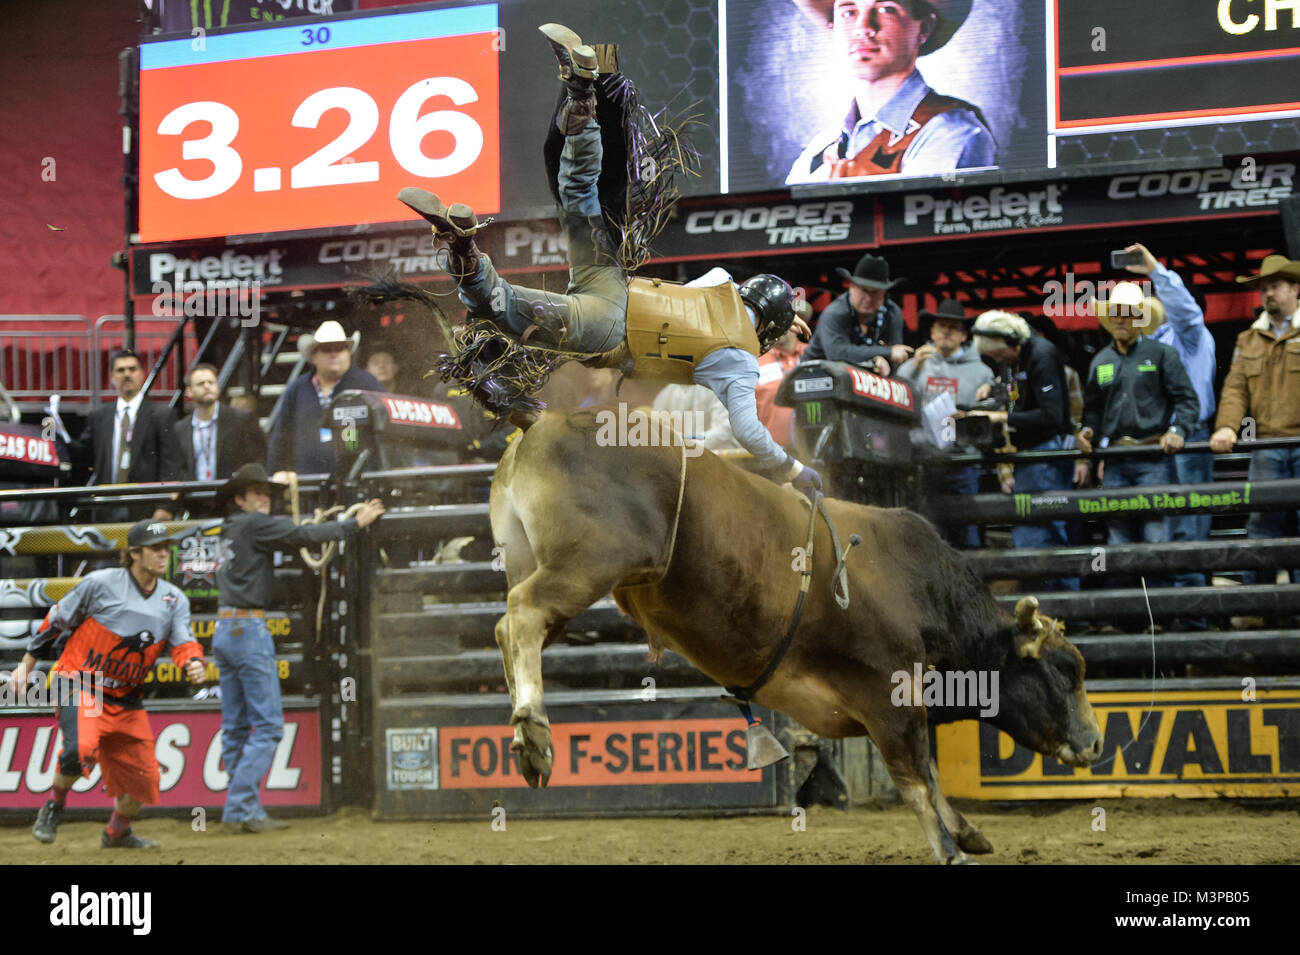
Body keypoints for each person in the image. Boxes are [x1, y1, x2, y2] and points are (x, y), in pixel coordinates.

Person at [396, 23, 821, 497]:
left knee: (577, 193)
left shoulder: (720, 284)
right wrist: (790, 469)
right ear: (766, 328)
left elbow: (730, 288)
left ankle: (581, 97)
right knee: (502, 308)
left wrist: (778, 319)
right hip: (609, 326)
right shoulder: (737, 363)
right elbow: (748, 430)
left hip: (612, 277)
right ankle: (462, 248)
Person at [10, 519, 205, 848]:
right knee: (79, 750)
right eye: (155, 548)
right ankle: (54, 805)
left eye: (166, 548)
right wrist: (27, 663)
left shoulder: (174, 599)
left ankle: (117, 833)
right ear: (133, 554)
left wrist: (193, 662)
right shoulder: (100, 583)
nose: (163, 554)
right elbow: (57, 618)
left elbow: (183, 641)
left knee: (146, 781)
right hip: (81, 680)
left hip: (126, 696)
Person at [213, 462, 386, 833]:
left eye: (266, 493)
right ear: (241, 498)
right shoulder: (254, 524)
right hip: (247, 627)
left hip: (225, 627)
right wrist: (355, 524)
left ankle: (243, 807)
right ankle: (241, 806)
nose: (264, 499)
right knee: (269, 725)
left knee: (236, 725)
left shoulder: (229, 528)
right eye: (257, 493)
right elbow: (304, 536)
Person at [786, 0, 995, 183]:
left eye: (886, 9)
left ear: (925, 27)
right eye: (848, 12)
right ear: (833, 27)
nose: (863, 27)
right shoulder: (821, 147)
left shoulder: (951, 132)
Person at [1075, 283, 1199, 564]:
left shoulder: (1161, 354)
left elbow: (1187, 400)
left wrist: (1178, 430)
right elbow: (1092, 410)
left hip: (1153, 456)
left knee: (1156, 536)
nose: (1121, 319)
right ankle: (1130, 605)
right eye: (1116, 313)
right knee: (1118, 537)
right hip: (1115, 459)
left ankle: (1155, 603)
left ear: (1139, 317)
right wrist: (1087, 433)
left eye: (1128, 313)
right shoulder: (1101, 361)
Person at [1117, 244, 1217, 591]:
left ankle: (1194, 619)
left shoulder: (1192, 335)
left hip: (1188, 439)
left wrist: (1155, 271)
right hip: (1154, 444)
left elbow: (1186, 313)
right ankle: (1168, 614)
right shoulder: (1147, 344)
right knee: (1160, 525)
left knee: (1186, 528)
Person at [1210, 254, 1300, 585]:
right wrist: (1226, 426)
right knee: (1263, 524)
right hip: (1267, 444)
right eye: (1264, 289)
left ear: (1295, 289)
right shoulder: (1248, 339)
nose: (1268, 294)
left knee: (1268, 524)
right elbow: (1235, 389)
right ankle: (1258, 604)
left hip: (1290, 443)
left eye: (1275, 286)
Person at [970, 310, 1077, 588]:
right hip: (1031, 455)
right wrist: (995, 391)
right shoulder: (1018, 358)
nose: (998, 361)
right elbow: (1021, 396)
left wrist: (1003, 417)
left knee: (1042, 531)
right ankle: (1052, 609)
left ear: (1012, 341)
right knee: (1037, 531)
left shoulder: (1041, 354)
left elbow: (1051, 415)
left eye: (999, 355)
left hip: (1046, 453)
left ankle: (1062, 610)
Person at [896, 298, 990, 548]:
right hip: (924, 462)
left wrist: (970, 414)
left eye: (954, 327)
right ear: (932, 331)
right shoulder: (911, 367)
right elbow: (898, 401)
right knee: (928, 533)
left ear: (963, 334)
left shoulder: (982, 372)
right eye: (941, 326)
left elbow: (992, 413)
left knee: (967, 532)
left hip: (964, 461)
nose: (946, 331)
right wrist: (912, 371)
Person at [74, 349, 181, 520]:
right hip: (106, 508)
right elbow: (83, 456)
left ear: (142, 374)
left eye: (132, 369)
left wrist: (165, 507)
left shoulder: (161, 414)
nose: (127, 374)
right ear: (111, 377)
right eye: (120, 370)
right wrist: (57, 435)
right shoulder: (98, 416)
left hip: (146, 508)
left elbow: (171, 465)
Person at [267, 320, 383, 476]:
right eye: (327, 349)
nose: (334, 354)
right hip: (308, 484)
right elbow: (281, 437)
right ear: (314, 356)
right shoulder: (297, 389)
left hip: (357, 482)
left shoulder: (367, 385)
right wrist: (277, 472)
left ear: (348, 353)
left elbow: (384, 436)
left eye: (340, 348)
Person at [800, 253, 912, 375]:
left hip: (863, 381)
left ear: (884, 293)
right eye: (864, 290)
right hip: (815, 377)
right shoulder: (835, 313)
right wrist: (886, 352)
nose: (868, 298)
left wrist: (883, 361)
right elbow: (837, 353)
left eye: (874, 292)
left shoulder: (892, 313)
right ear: (851, 287)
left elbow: (898, 356)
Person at [174, 363, 267, 482]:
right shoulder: (181, 428)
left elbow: (258, 459)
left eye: (211, 382)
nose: (207, 386)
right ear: (189, 391)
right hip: (195, 496)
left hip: (230, 494)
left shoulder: (241, 419)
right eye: (200, 383)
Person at [755, 301, 809, 450]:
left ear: (799, 323)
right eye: (775, 318)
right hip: (769, 455)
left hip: (815, 451)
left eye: (785, 318)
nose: (780, 324)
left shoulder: (815, 357)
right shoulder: (754, 361)